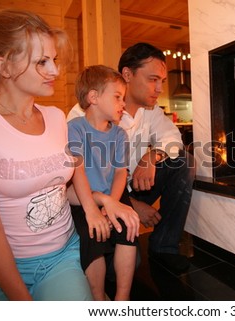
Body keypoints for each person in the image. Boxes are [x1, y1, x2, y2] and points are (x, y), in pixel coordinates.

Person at [0, 9, 124, 301]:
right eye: (41, 62)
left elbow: (73, 169)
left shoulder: (55, 118)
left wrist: (93, 206)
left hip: (60, 258)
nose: (55, 71)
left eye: (54, 60)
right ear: (5, 66)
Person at [67, 42, 195, 273]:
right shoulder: (83, 115)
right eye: (152, 79)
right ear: (127, 74)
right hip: (96, 194)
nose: (159, 89)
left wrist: (152, 156)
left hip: (131, 183)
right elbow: (75, 178)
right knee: (119, 269)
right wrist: (133, 205)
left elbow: (173, 139)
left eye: (162, 82)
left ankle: (164, 247)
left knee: (184, 162)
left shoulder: (152, 112)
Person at [67, 65, 139, 300]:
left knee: (128, 223)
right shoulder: (73, 129)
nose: (123, 104)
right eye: (117, 97)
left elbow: (120, 173)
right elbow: (77, 172)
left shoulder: (119, 134)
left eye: (123, 98)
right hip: (83, 197)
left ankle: (122, 297)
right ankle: (98, 298)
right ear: (93, 97)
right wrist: (99, 207)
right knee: (92, 234)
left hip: (113, 193)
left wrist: (113, 205)